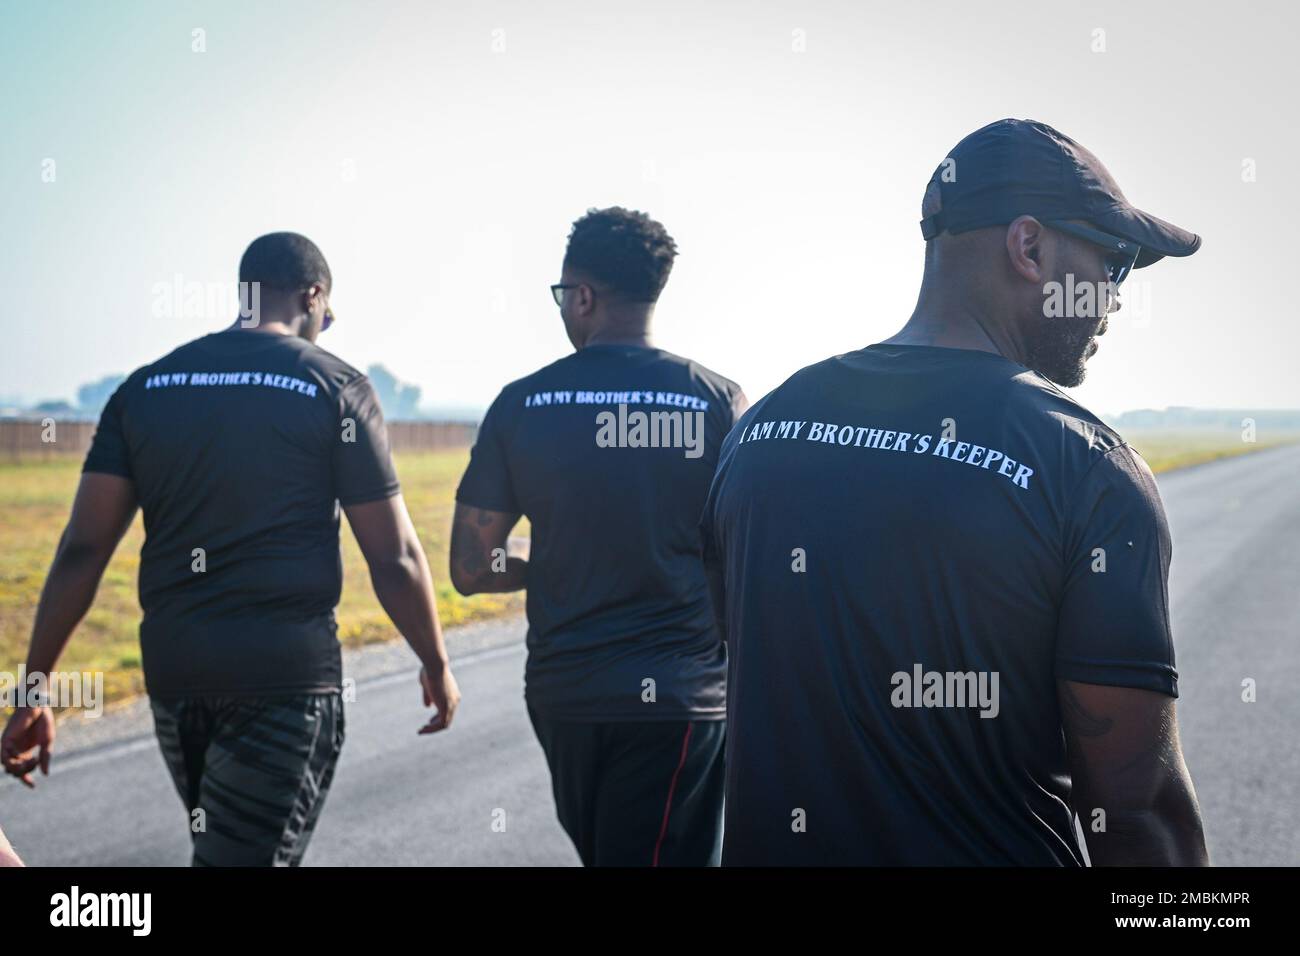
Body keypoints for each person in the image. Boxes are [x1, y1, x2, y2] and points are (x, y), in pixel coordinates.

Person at [701, 119, 1210, 865]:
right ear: (1029, 248)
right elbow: (1138, 811)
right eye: (1117, 261)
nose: (1116, 295)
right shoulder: (1087, 467)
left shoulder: (761, 431)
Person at [0, 232, 460, 866]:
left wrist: (35, 687)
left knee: (222, 851)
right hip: (282, 679)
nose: (327, 324)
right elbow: (397, 557)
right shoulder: (335, 386)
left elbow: (81, 550)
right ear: (313, 295)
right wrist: (435, 662)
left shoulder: (145, 389)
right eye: (328, 312)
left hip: (175, 676)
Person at [450, 207, 746, 866]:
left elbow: (471, 566)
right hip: (681, 698)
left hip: (566, 696)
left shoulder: (522, 403)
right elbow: (745, 559)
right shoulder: (718, 401)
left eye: (563, 295)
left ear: (582, 296)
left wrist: (549, 557)